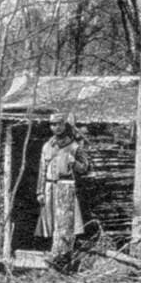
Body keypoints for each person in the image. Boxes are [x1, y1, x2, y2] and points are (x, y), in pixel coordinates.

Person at [35, 113, 90, 270]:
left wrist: (74, 163)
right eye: (53, 124)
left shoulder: (74, 147)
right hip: (49, 187)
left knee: (66, 224)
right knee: (49, 221)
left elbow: (85, 167)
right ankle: (51, 254)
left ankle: (64, 255)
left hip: (66, 188)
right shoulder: (47, 147)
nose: (56, 127)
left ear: (65, 126)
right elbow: (42, 170)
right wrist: (40, 191)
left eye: (59, 124)